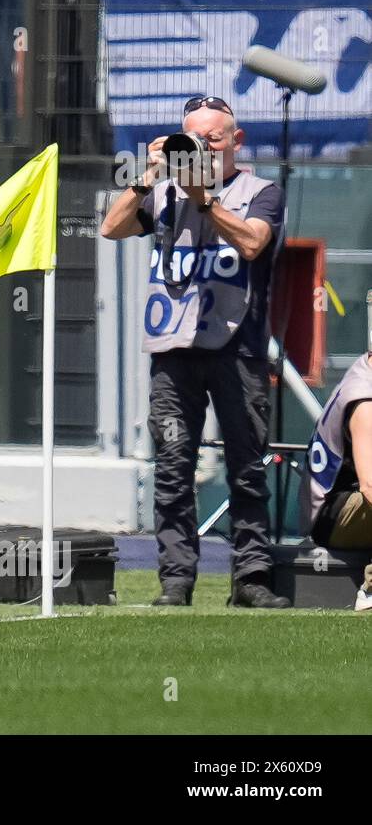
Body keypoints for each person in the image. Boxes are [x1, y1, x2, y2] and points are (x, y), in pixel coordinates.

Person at [100, 95, 290, 609]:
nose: (204, 146)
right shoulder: (162, 192)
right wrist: (147, 174)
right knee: (172, 467)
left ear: (235, 141)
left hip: (237, 348)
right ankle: (176, 581)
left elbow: (253, 244)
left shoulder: (261, 192)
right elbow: (110, 227)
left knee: (247, 468)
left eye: (214, 137)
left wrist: (205, 199)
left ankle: (250, 579)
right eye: (194, 137)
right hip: (173, 349)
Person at [304, 351, 372, 610]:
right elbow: (369, 486)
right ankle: (370, 591)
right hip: (333, 515)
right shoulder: (365, 401)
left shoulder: (365, 368)